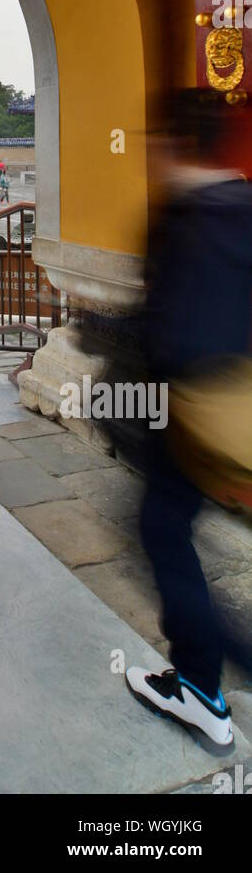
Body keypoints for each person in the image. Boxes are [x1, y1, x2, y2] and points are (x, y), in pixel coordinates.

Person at [124, 89, 252, 750]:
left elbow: (171, 337)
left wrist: (105, 330)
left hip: (188, 418)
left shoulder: (182, 217)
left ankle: (201, 687)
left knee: (159, 529)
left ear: (172, 143)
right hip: (243, 414)